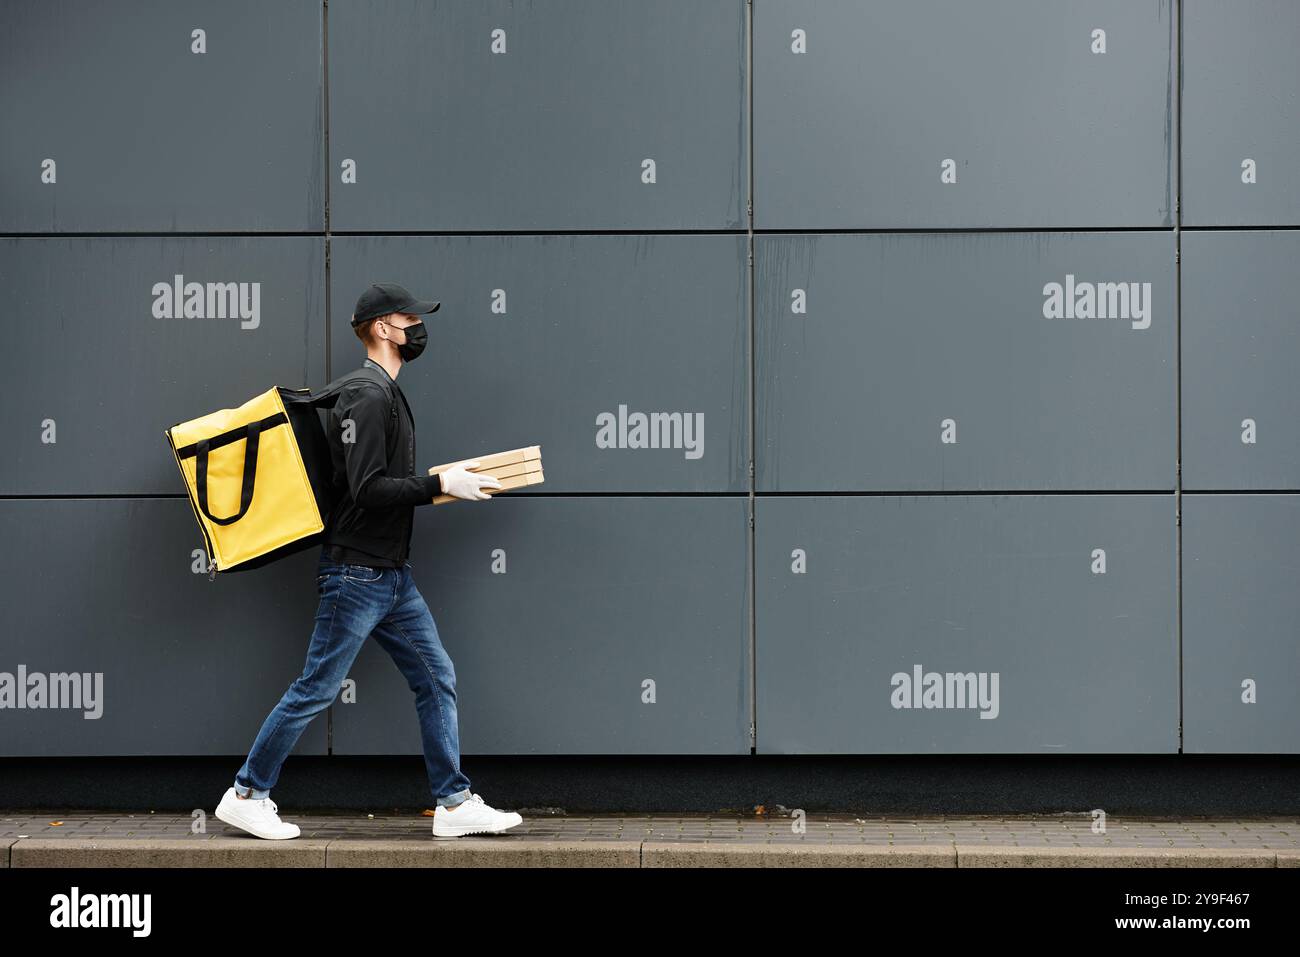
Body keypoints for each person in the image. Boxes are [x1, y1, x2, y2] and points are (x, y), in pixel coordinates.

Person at [214, 281, 521, 840]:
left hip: (391, 577)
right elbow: (367, 489)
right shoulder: (368, 395)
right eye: (409, 320)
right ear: (382, 328)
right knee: (317, 687)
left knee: (436, 677)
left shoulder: (382, 391)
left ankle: (453, 804)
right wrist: (437, 484)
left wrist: (443, 483)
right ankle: (246, 793)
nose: (418, 329)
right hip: (356, 574)